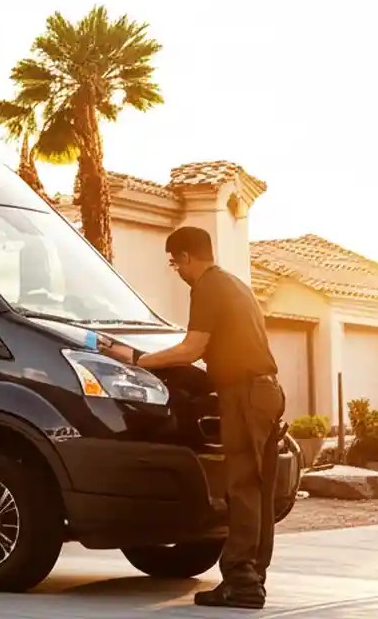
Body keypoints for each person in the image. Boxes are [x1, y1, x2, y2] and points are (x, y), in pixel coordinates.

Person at [100, 226, 285, 609]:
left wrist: (138, 360)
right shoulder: (236, 285)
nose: (177, 271)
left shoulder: (206, 288)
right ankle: (252, 578)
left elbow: (192, 347)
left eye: (174, 263)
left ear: (186, 257)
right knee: (258, 489)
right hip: (267, 393)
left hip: (245, 396)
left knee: (242, 487)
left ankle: (241, 580)